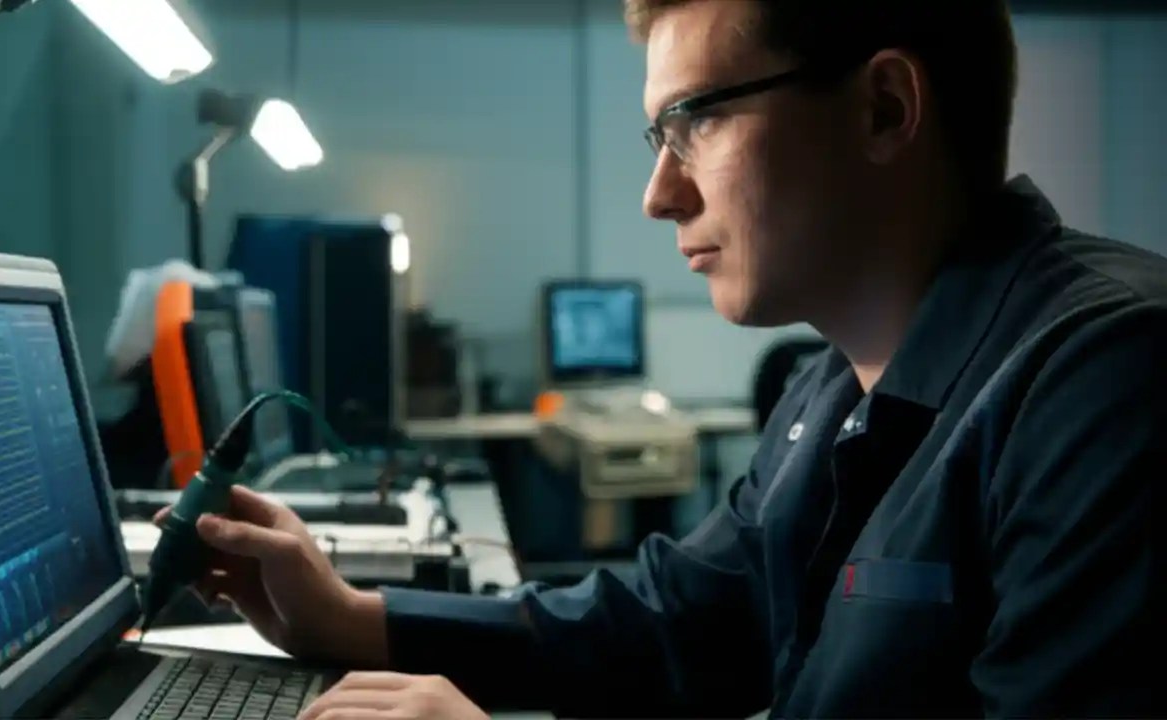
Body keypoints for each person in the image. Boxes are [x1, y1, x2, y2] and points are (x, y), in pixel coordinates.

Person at [158, 1, 1165, 717]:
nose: (658, 194)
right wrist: (355, 620)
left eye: (698, 119)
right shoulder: (835, 379)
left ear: (884, 109)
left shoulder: (1108, 381)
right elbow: (683, 622)